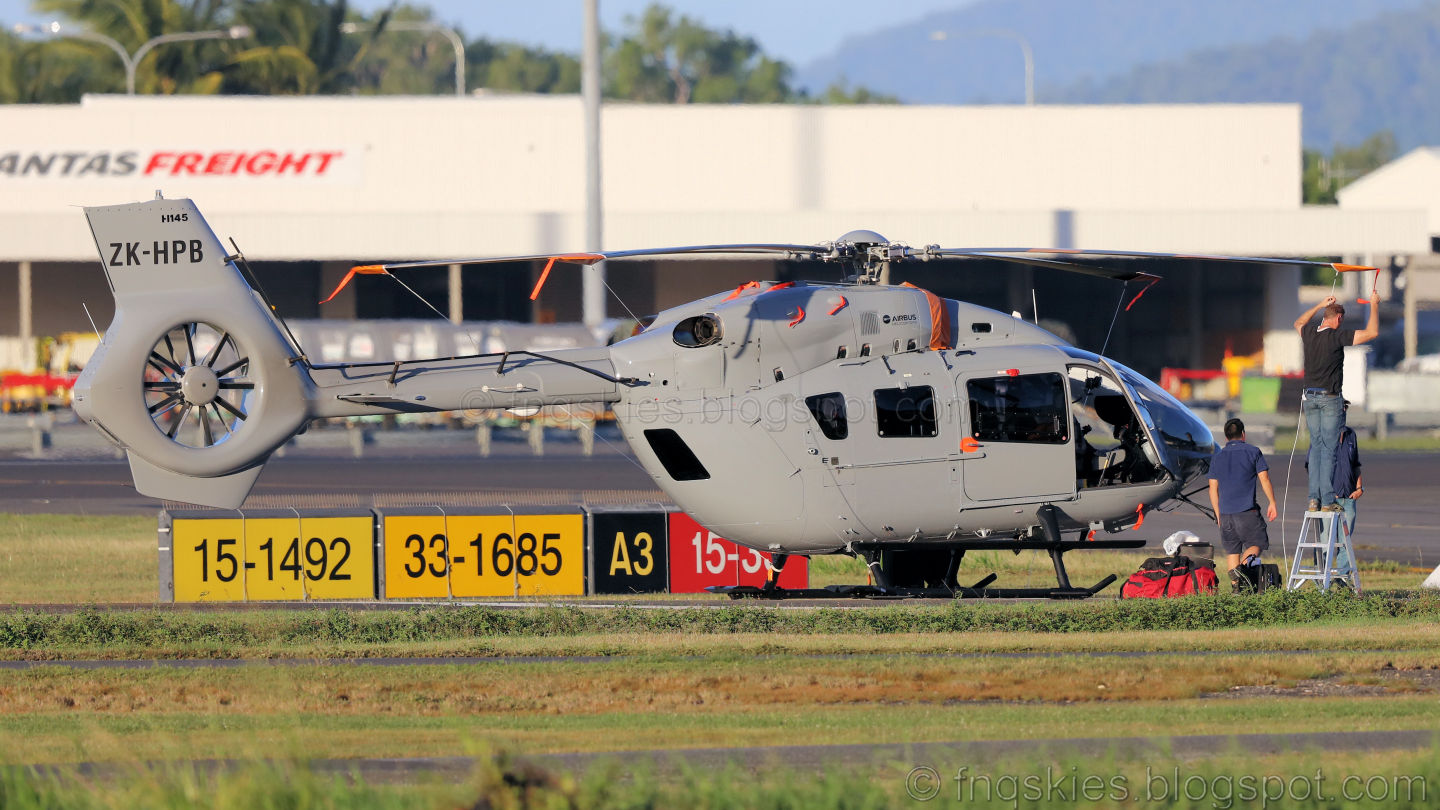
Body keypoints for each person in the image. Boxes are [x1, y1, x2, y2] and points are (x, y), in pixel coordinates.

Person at [1293, 294, 1379, 512]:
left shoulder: (1310, 333)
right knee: (1329, 450)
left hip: (1309, 398)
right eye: (1341, 319)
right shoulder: (1336, 336)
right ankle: (1327, 499)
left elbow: (1299, 322)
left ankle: (1314, 498)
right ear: (1338, 318)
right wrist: (1374, 306)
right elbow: (1372, 332)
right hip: (1329, 399)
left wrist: (1320, 304)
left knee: (1317, 449)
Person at [1208, 418, 1279, 592]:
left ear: (1226, 437)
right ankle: (1240, 569)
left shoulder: (1217, 457)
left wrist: (1218, 514)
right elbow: (1264, 479)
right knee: (1258, 543)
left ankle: (1236, 589)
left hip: (1225, 514)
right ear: (1243, 434)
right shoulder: (1253, 452)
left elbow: (1212, 488)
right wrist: (1272, 502)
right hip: (1246, 511)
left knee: (1232, 550)